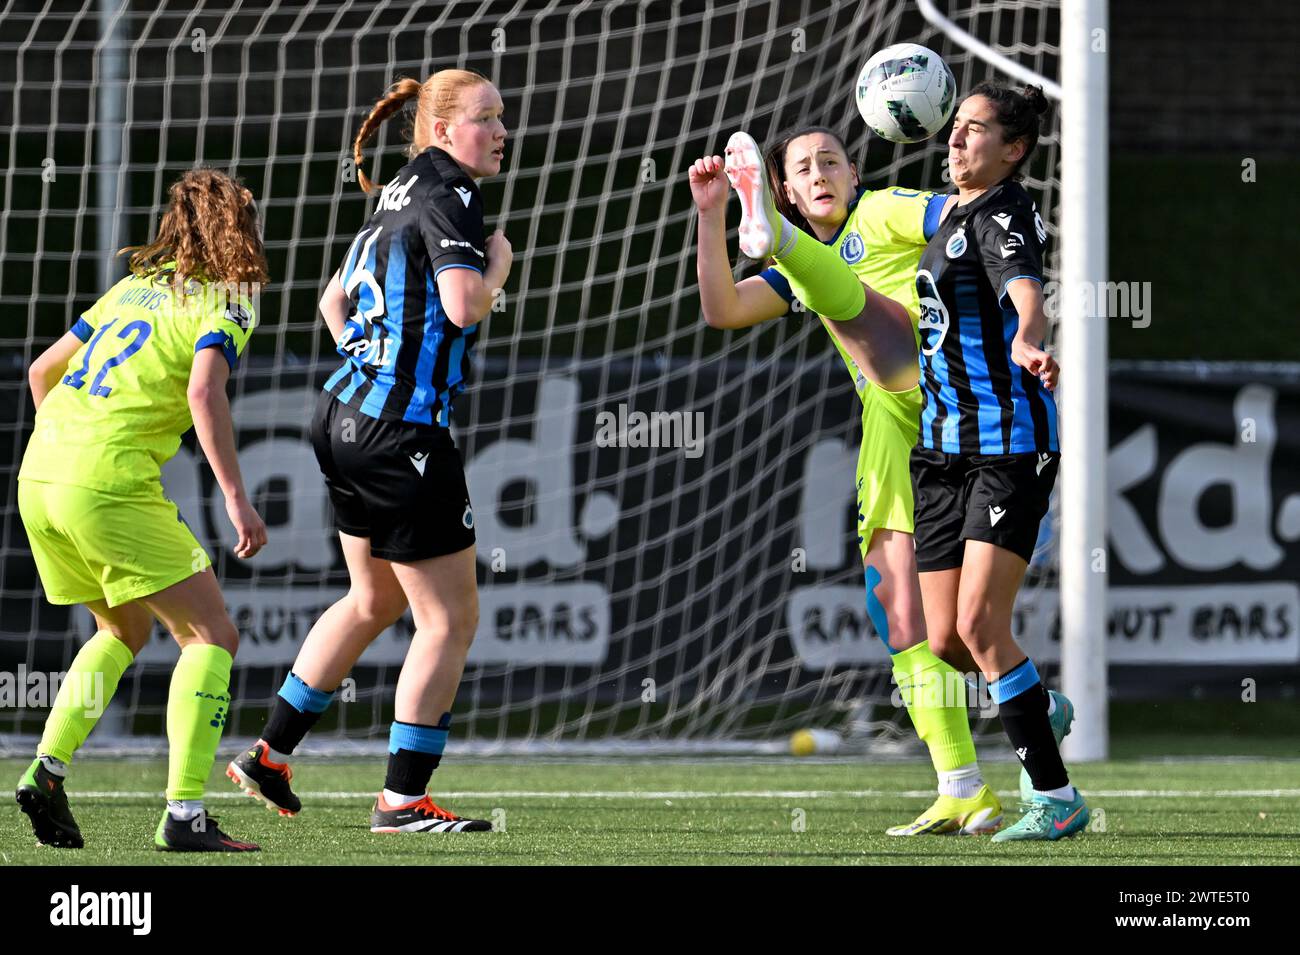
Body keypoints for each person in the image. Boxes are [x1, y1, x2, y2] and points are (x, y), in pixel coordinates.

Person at [692, 125, 1003, 835]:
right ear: (790, 193)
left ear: (855, 173)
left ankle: (1019, 712)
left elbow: (967, 217)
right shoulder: (805, 269)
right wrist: (713, 214)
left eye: (831, 159)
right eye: (802, 168)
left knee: (877, 338)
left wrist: (1010, 293)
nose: (819, 171)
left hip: (951, 391)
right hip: (894, 424)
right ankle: (964, 786)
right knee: (899, 606)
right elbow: (722, 310)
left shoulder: (884, 210)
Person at [227, 69, 511, 834]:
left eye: (502, 118)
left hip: (341, 413)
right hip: (400, 431)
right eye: (487, 118)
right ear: (444, 130)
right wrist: (499, 268)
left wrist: (374, 357)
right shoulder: (448, 190)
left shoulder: (396, 190)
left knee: (373, 598)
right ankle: (401, 799)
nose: (502, 132)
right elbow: (462, 304)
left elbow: (331, 301)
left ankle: (270, 755)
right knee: (448, 619)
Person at [15, 169, 268, 851]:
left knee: (124, 627)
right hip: (105, 482)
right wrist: (238, 498)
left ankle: (46, 770)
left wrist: (69, 453)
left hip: (40, 475)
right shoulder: (230, 298)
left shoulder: (131, 288)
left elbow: (42, 371)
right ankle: (184, 813)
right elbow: (204, 393)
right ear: (236, 228)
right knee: (212, 635)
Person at [910, 82, 1086, 842]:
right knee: (946, 638)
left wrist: (1028, 333)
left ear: (1012, 149)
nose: (955, 140)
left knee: (983, 624)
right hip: (941, 449)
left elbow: (1024, 286)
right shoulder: (946, 215)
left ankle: (1056, 798)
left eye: (973, 130)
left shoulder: (1003, 210)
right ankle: (1038, 706)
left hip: (1007, 443)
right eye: (954, 128)